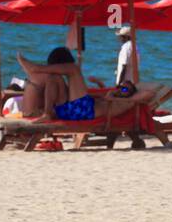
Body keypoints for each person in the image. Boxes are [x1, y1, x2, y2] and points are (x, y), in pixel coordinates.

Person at [18, 47, 156, 149]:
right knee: (54, 78)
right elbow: (97, 97)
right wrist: (110, 94)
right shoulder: (112, 95)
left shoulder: (127, 102)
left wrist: (124, 97)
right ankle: (47, 113)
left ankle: (36, 68)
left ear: (132, 93)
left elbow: (149, 93)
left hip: (82, 112)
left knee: (74, 69)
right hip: (71, 110)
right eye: (121, 86)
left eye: (126, 88)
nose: (121, 89)